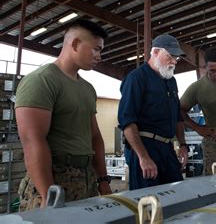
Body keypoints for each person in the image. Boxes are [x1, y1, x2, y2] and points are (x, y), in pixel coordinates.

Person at [15, 19, 112, 210]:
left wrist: (102, 180)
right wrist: (48, 194)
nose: (99, 56)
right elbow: (33, 140)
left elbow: (94, 137)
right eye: (96, 49)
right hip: (54, 178)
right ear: (75, 44)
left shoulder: (87, 89)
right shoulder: (41, 81)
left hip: (86, 179)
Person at [118, 34, 188, 190]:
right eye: (170, 56)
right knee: (148, 201)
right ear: (155, 52)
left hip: (167, 148)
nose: (174, 61)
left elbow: (177, 117)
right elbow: (127, 121)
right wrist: (143, 158)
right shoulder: (136, 78)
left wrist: (183, 145)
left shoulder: (171, 80)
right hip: (145, 147)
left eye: (176, 57)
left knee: (176, 193)